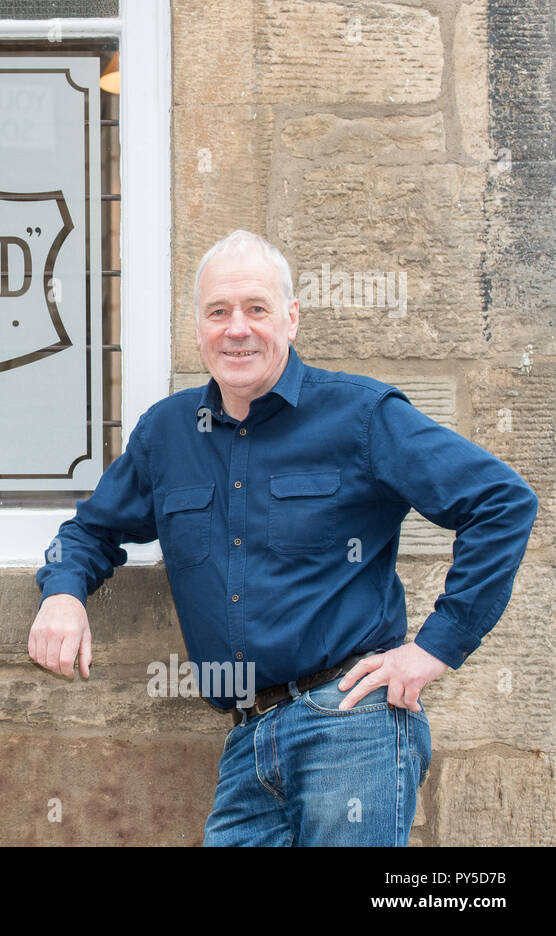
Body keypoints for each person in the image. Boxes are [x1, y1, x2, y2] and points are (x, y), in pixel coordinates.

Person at [29, 230, 538, 846]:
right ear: (198, 329)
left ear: (291, 318)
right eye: (218, 312)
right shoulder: (167, 435)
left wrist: (434, 649)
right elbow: (90, 531)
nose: (236, 328)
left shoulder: (361, 416)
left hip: (351, 725)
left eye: (256, 308)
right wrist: (63, 592)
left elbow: (502, 500)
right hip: (246, 741)